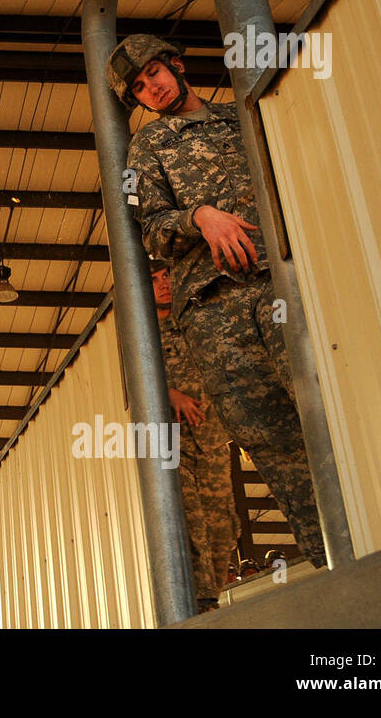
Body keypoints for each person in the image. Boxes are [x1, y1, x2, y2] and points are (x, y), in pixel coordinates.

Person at [109, 34, 326, 566]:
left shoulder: (242, 117)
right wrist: (199, 216)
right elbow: (150, 230)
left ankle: (376, 524)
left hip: (279, 281)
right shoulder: (146, 148)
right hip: (211, 309)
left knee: (324, 404)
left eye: (154, 74)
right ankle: (328, 555)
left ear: (177, 65)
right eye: (138, 88)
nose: (151, 89)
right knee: (265, 432)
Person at [151, 260, 238, 611]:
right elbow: (129, 386)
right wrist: (169, 394)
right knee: (191, 520)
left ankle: (213, 597)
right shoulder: (142, 335)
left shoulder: (197, 322)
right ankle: (199, 600)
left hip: (213, 438)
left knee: (224, 522)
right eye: (153, 279)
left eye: (165, 276)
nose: (162, 283)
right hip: (174, 443)